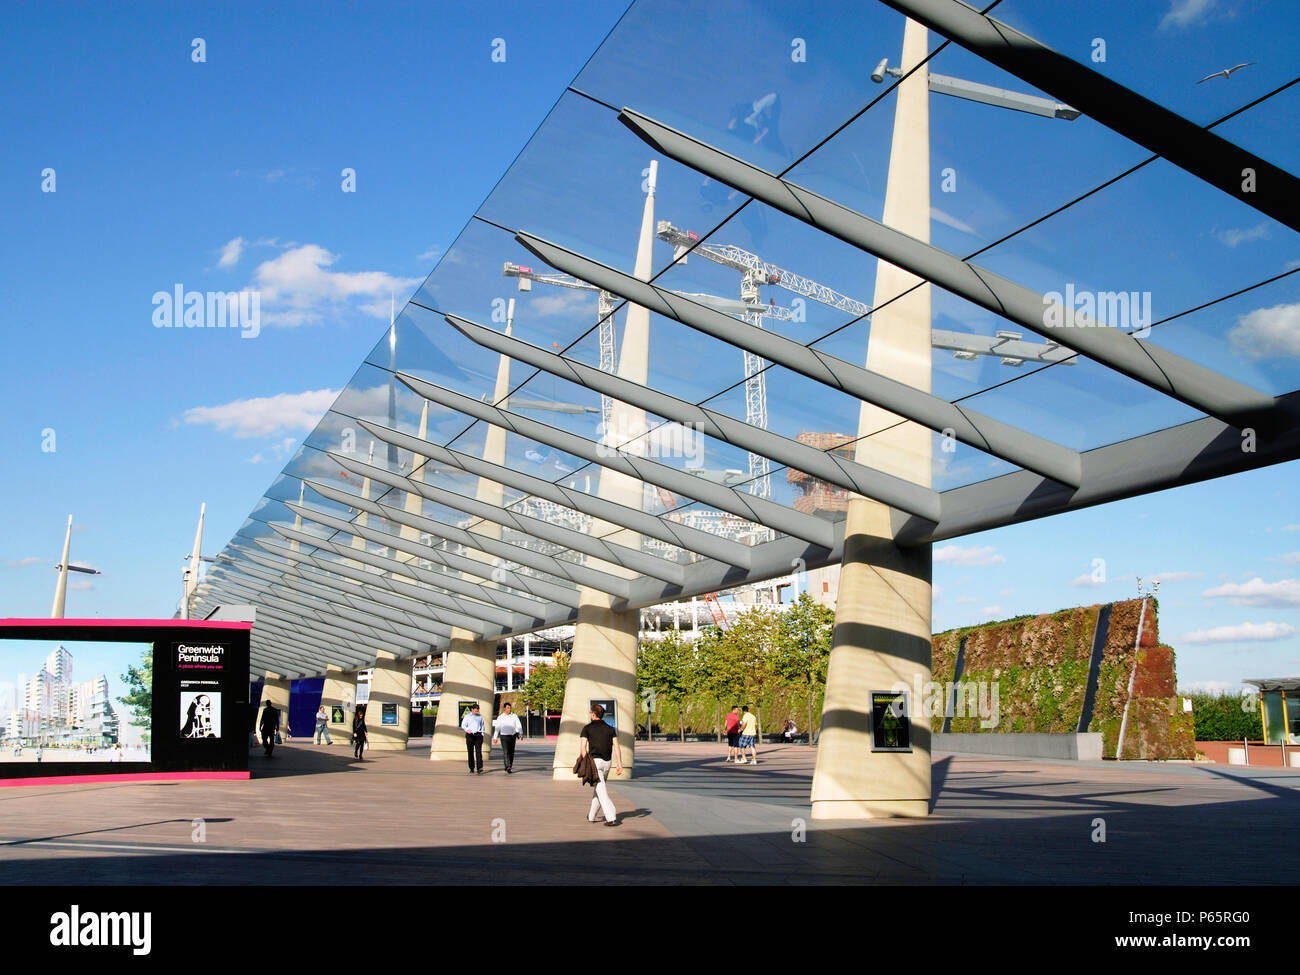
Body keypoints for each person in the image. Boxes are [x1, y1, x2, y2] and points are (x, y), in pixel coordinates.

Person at [579, 703, 623, 826]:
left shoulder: (587, 728)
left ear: (593, 714)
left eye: (590, 712)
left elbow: (583, 749)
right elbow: (617, 747)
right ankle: (591, 816)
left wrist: (585, 763)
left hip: (595, 763)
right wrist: (619, 763)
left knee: (601, 791)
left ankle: (611, 817)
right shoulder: (610, 729)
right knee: (599, 789)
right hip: (607, 763)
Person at [492, 702, 524, 774]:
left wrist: (521, 733)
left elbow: (518, 724)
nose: (509, 709)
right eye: (507, 708)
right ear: (504, 709)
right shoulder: (500, 717)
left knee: (511, 752)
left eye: (510, 708)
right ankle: (508, 766)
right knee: (506, 752)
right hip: (504, 736)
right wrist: (495, 737)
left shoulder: (514, 716)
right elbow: (497, 728)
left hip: (512, 735)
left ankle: (509, 766)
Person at [461, 703, 486, 774]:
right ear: (472, 710)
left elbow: (482, 725)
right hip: (470, 735)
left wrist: (482, 733)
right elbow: (463, 725)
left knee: (478, 751)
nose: (476, 712)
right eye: (475, 710)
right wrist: (467, 730)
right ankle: (471, 767)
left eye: (477, 711)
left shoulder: (480, 717)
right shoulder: (467, 717)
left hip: (478, 735)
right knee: (470, 752)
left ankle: (479, 767)